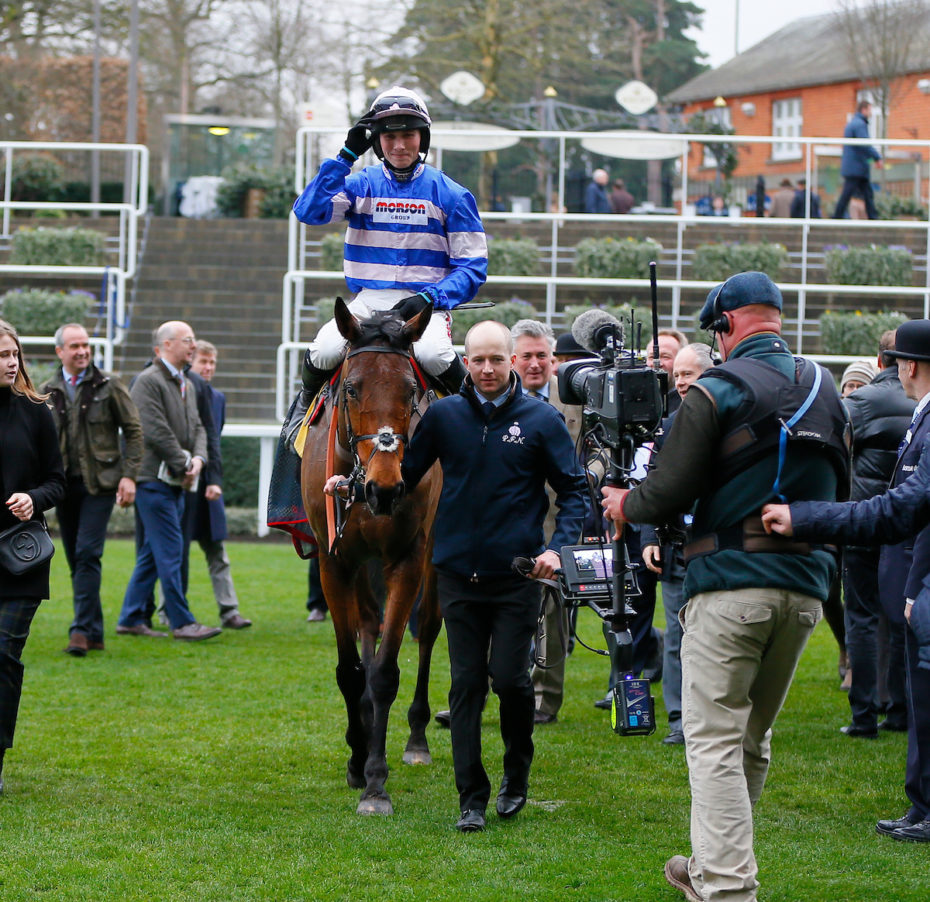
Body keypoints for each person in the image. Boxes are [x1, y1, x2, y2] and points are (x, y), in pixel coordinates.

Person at [601, 272, 849, 900]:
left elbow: (669, 489)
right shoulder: (826, 388)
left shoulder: (717, 388)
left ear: (727, 326)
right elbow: (842, 493)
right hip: (807, 591)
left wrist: (626, 504)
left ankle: (730, 889)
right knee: (749, 738)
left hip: (729, 586)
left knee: (712, 743)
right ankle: (711, 869)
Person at [374, 320, 586, 832]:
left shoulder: (541, 421)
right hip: (455, 576)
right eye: (477, 360)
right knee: (466, 685)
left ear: (512, 360)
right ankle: (471, 797)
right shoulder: (444, 416)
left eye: (496, 359)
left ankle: (517, 776)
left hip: (517, 578)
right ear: (465, 362)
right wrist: (360, 486)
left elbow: (577, 492)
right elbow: (403, 482)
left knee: (510, 681)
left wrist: (558, 551)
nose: (487, 369)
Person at [762, 318, 930, 843]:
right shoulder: (920, 417)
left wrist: (806, 518)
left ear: (908, 365)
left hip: (916, 580)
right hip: (914, 583)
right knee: (920, 703)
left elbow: (899, 511)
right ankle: (920, 805)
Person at [286, 85, 487, 437]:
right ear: (377, 142)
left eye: (407, 135)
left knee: (437, 355)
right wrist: (345, 155)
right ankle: (301, 414)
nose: (398, 146)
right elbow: (308, 210)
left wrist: (430, 298)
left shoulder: (453, 195)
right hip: (368, 300)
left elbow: (472, 268)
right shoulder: (359, 184)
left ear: (422, 138)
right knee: (324, 350)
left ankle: (479, 425)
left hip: (423, 305)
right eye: (389, 136)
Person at [40, 323, 143, 656]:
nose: (82, 351)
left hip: (99, 485)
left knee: (87, 553)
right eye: (75, 346)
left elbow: (133, 430)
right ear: (60, 352)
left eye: (86, 345)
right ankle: (95, 632)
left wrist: (129, 476)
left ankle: (80, 632)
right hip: (62, 487)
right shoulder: (47, 390)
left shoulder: (109, 385)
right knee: (76, 559)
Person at [117, 321, 221, 642]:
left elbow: (201, 427)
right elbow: (153, 429)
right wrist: (185, 462)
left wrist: (199, 461)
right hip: (153, 481)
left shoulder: (185, 382)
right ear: (164, 345)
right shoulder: (147, 382)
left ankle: (131, 617)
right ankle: (181, 622)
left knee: (152, 553)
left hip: (176, 481)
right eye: (187, 340)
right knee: (170, 551)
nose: (192, 345)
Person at [0, 319, 66, 792]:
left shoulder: (36, 410)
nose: (10, 362)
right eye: (2, 355)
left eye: (14, 354)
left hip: (20, 556)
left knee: (3, 656)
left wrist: (33, 499)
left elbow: (57, 481)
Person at [837, 332, 913, 737]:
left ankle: (864, 717)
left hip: (864, 522)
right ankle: (900, 710)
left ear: (878, 360)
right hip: (908, 524)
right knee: (904, 615)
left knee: (861, 618)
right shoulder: (922, 402)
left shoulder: (860, 402)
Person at [510, 319, 586, 725]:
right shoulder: (490, 396)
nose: (535, 364)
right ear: (512, 359)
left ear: (554, 360)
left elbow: (592, 452)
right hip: (505, 521)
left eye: (543, 356)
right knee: (491, 611)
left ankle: (544, 699)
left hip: (559, 521)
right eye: (527, 357)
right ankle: (478, 693)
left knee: (552, 614)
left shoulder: (574, 399)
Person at [641, 342, 714, 747]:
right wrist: (651, 535)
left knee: (714, 637)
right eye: (679, 374)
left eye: (691, 373)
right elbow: (654, 485)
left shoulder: (727, 422)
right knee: (677, 635)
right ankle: (678, 720)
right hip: (673, 549)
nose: (682, 381)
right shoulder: (667, 426)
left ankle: (711, 715)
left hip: (715, 548)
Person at [182, 341, 251, 629]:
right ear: (191, 364)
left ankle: (229, 610)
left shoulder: (218, 398)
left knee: (217, 550)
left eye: (212, 363)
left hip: (209, 486)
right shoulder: (180, 391)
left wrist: (215, 481)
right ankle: (168, 610)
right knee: (176, 551)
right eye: (203, 363)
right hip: (182, 481)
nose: (208, 368)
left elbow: (214, 443)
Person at [832, 100, 882, 220]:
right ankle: (837, 217)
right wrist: (877, 157)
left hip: (856, 167)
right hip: (857, 168)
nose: (871, 113)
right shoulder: (859, 124)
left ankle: (873, 218)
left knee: (865, 194)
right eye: (869, 109)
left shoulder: (853, 123)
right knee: (850, 194)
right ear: (864, 109)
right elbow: (864, 144)